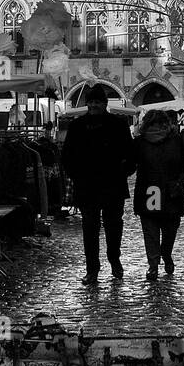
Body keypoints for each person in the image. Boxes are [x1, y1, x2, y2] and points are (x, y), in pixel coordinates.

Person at [61, 84, 136, 284]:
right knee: (90, 229)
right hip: (87, 185)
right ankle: (92, 269)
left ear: (104, 104)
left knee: (114, 226)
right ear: (88, 104)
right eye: (91, 102)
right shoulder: (78, 126)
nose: (94, 105)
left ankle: (114, 260)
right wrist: (76, 175)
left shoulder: (118, 124)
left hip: (113, 184)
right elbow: (67, 155)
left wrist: (124, 171)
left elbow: (130, 154)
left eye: (98, 102)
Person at [133, 109, 184, 281]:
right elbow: (131, 164)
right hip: (151, 192)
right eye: (154, 123)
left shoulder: (175, 141)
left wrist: (180, 182)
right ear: (147, 125)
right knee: (151, 229)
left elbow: (183, 164)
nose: (159, 127)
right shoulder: (141, 142)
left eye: (161, 123)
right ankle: (153, 265)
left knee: (170, 229)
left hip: (171, 191)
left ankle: (166, 253)